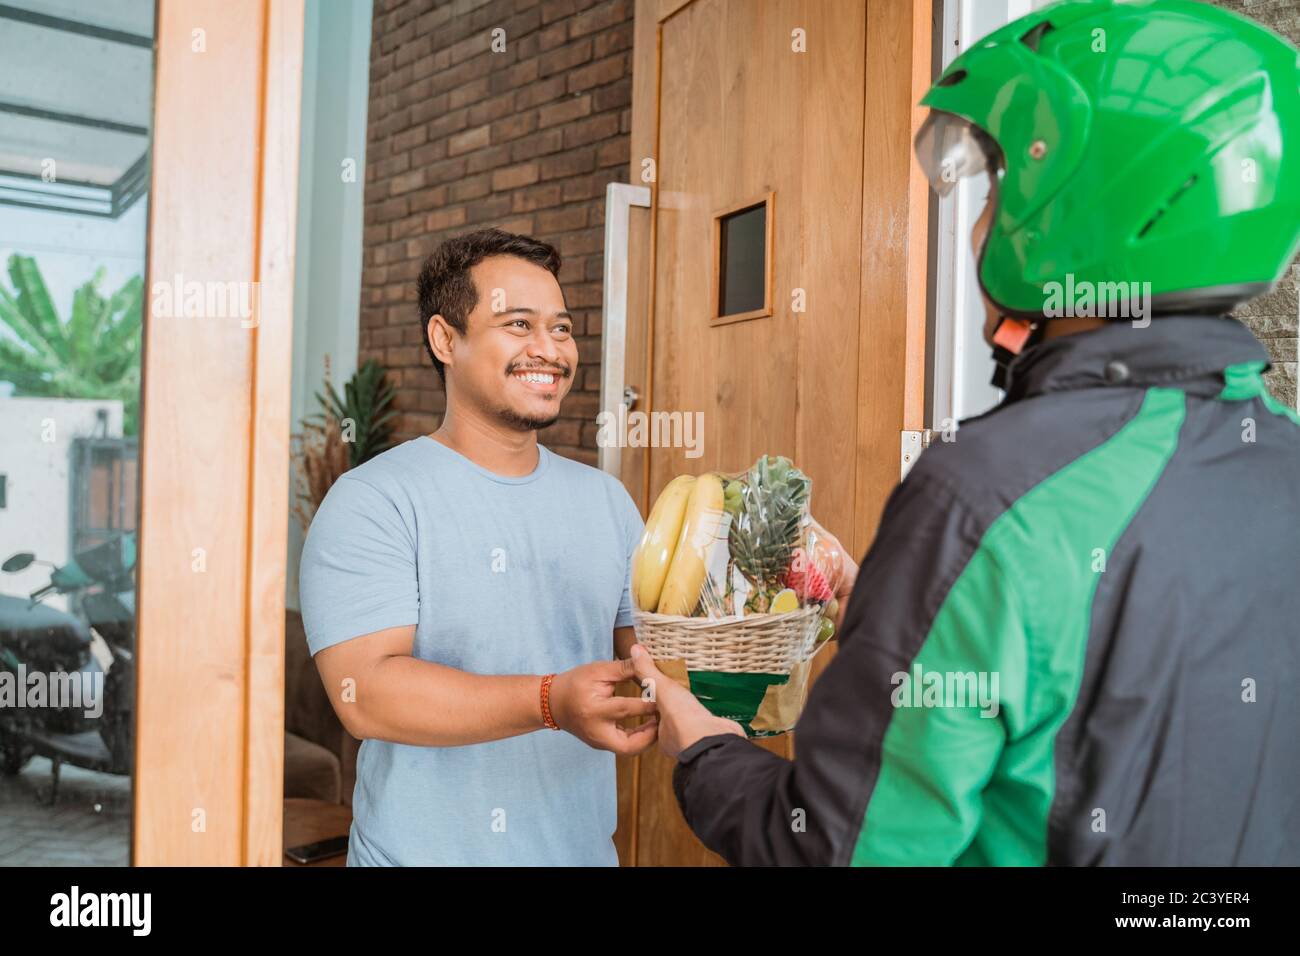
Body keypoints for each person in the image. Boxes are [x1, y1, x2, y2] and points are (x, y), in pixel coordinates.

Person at [631, 0, 1300, 865]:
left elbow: (835, 848)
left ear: (1068, 217)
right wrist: (890, 603)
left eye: (993, 196)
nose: (980, 226)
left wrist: (703, 745)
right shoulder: (1277, 452)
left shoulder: (982, 494)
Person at [299, 228, 657, 866]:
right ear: (445, 339)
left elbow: (655, 661)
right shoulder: (373, 500)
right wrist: (552, 700)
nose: (549, 350)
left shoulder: (607, 502)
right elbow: (367, 694)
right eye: (518, 324)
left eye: (562, 328)